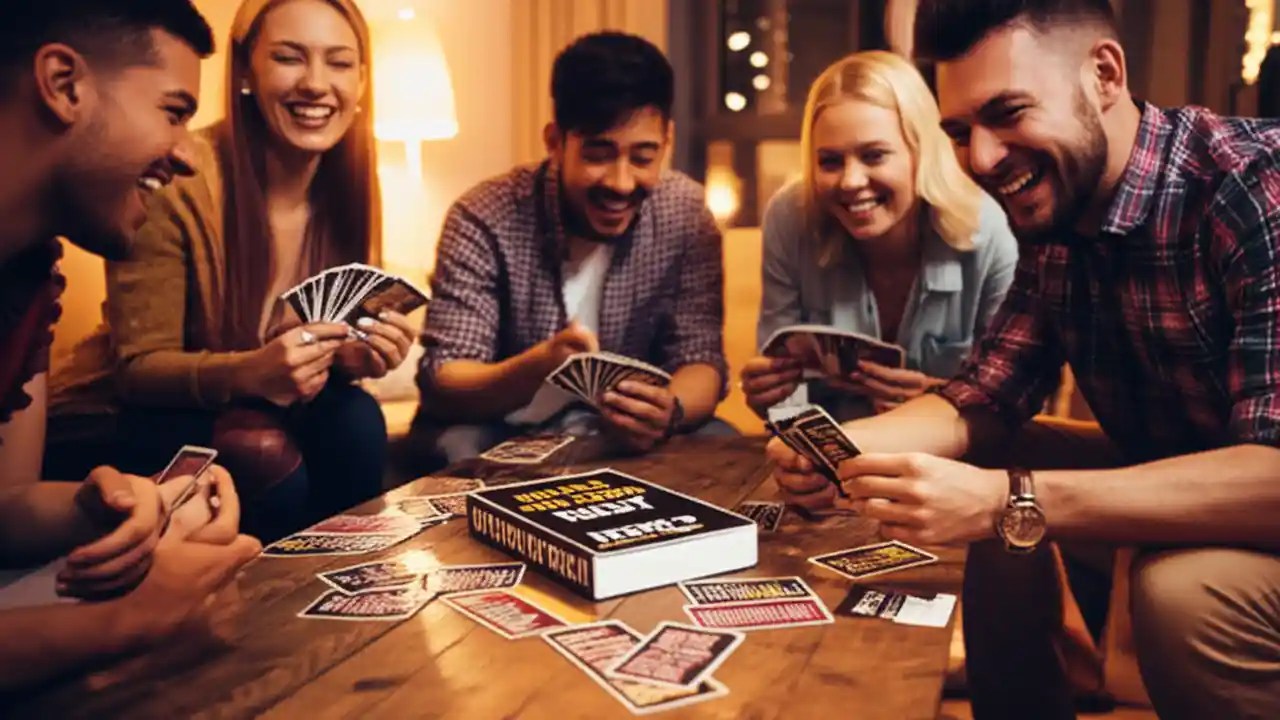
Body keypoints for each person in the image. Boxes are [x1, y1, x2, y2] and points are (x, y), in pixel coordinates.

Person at [768, 1, 1280, 718]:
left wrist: (1010, 502)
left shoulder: (1255, 186)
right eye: (959, 132)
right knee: (986, 456)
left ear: (1104, 74)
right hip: (1186, 471)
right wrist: (844, 448)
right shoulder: (1058, 207)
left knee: (1181, 594)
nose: (981, 159)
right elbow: (984, 396)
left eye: (1008, 113)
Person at [48, 0, 410, 539]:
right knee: (261, 454)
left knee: (356, 419)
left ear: (360, 81)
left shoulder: (351, 187)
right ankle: (258, 593)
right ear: (245, 72)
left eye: (338, 63)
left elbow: (312, 355)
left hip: (257, 407)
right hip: (126, 415)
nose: (316, 84)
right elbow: (138, 369)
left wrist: (351, 356)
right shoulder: (177, 174)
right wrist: (251, 372)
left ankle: (345, 581)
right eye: (289, 57)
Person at [0, 1, 259, 691]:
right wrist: (130, 624)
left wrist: (113, 506)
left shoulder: (30, 275)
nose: (187, 156)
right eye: (173, 112)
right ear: (64, 84)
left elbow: (7, 500)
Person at [412, 31, 731, 467]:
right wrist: (537, 368)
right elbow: (445, 376)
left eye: (643, 157)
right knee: (457, 450)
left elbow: (702, 361)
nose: (621, 183)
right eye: (598, 155)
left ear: (668, 141)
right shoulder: (484, 215)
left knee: (722, 446)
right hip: (498, 426)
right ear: (555, 142)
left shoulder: (686, 214)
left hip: (620, 435)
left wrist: (666, 410)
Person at [742, 50, 1017, 422]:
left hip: (948, 450)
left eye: (874, 156)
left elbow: (1012, 403)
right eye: (830, 161)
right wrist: (771, 398)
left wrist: (941, 402)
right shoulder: (790, 218)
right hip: (832, 444)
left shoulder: (989, 231)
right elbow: (785, 408)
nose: (850, 181)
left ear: (921, 153)